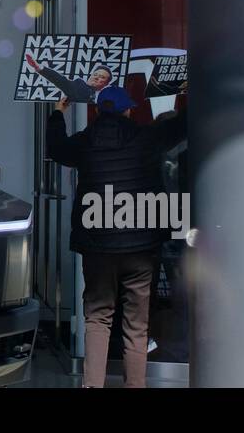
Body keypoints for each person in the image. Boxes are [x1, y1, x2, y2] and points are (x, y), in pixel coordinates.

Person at [47, 86, 186, 388]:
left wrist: (58, 113)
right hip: (140, 247)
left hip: (98, 246)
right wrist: (190, 91)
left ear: (97, 111)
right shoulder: (147, 138)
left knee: (98, 318)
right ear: (128, 110)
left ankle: (92, 385)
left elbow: (55, 149)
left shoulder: (84, 142)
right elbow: (181, 126)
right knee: (136, 325)